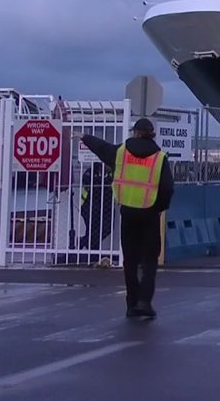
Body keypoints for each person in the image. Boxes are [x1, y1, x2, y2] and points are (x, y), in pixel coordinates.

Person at [81, 118, 174, 319]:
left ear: (134, 133)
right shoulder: (159, 158)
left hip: (128, 213)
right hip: (149, 214)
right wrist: (159, 207)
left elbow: (101, 147)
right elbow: (167, 189)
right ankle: (145, 302)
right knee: (149, 260)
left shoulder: (121, 153)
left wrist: (84, 136)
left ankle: (131, 304)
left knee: (130, 260)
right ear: (152, 134)